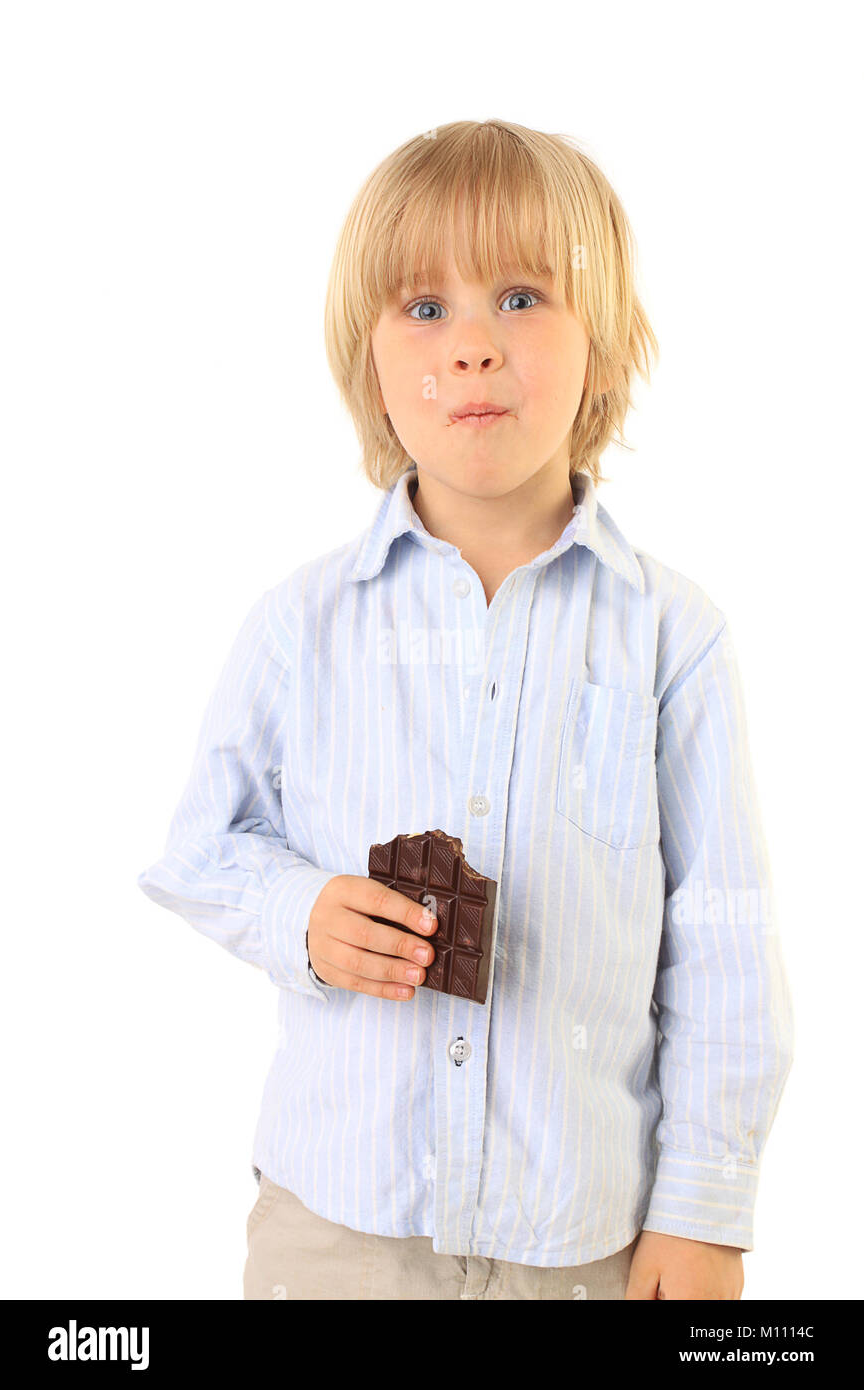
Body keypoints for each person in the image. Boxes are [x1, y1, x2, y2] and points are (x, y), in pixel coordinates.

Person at [137, 119, 794, 1300]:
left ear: (601, 347)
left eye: (522, 296)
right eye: (424, 310)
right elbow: (199, 849)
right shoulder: (303, 623)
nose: (474, 347)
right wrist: (302, 913)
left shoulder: (669, 636)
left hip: (581, 1235)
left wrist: (702, 1208)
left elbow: (723, 941)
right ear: (369, 365)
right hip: (338, 1227)